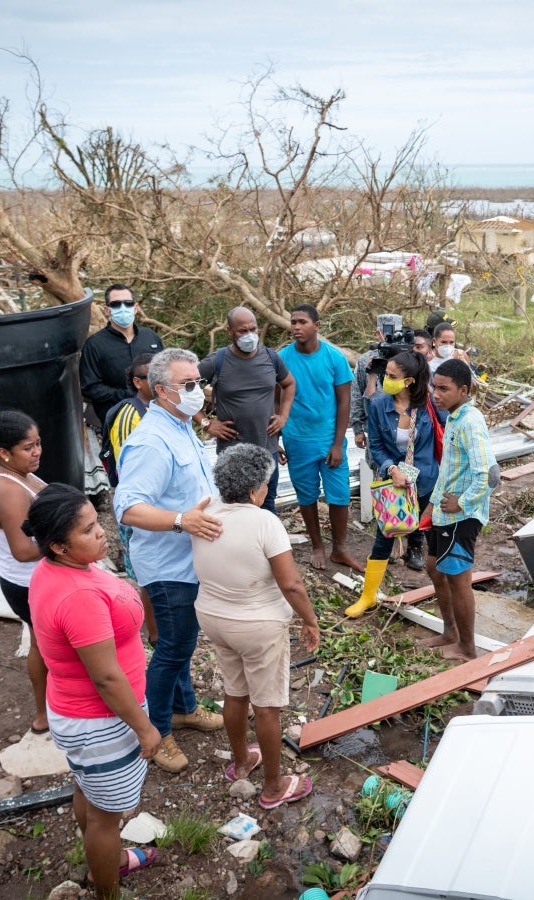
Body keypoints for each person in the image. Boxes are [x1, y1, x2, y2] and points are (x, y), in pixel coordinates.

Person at [25, 484, 161, 900]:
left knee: (87, 787)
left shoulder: (54, 570)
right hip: (102, 721)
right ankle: (108, 884)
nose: (101, 531)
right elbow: (105, 678)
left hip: (79, 713)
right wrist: (145, 729)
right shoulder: (79, 595)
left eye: (95, 522)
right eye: (87, 530)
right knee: (107, 816)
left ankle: (106, 861)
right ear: (59, 546)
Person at [113, 348, 225, 774]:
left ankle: (184, 708)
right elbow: (128, 508)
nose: (199, 391)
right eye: (188, 385)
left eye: (200, 382)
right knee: (172, 648)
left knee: (182, 645)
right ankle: (157, 731)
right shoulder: (150, 442)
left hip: (188, 560)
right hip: (167, 566)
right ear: (160, 391)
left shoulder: (182, 427)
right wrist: (182, 521)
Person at [191, 443, 319, 809]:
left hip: (214, 618)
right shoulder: (265, 522)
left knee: (235, 692)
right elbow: (291, 583)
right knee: (267, 707)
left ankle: (242, 761)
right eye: (265, 484)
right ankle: (274, 787)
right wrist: (310, 621)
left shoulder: (204, 511)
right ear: (253, 490)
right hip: (258, 625)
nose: (267, 490)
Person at [345, 350, 443, 618]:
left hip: (426, 482)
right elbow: (375, 446)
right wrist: (391, 468)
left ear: (409, 381)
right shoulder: (377, 405)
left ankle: (443, 593)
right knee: (383, 537)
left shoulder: (430, 404)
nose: (385, 380)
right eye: (386, 374)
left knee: (431, 533)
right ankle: (368, 596)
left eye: (391, 376)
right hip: (394, 484)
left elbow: (448, 435)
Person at [279, 305, 363, 572]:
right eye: (293, 322)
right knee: (306, 495)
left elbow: (344, 402)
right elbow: (274, 399)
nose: (296, 327)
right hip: (296, 440)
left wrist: (338, 443)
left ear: (317, 325)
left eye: (302, 322)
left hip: (329, 440)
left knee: (339, 495)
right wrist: (276, 438)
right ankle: (317, 545)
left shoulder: (334, 358)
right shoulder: (282, 359)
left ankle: (340, 548)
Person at [0, 410, 49, 734]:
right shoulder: (6, 488)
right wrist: (66, 543)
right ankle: (44, 714)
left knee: (46, 645)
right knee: (45, 647)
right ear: (4, 453)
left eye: (37, 443)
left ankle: (49, 711)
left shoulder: (20, 474)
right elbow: (22, 551)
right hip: (27, 583)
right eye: (27, 447)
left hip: (35, 579)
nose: (36, 452)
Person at [422, 360, 494, 661]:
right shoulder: (453, 416)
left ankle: (467, 647)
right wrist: (431, 504)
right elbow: (449, 469)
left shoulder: (470, 422)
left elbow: (489, 475)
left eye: (443, 389)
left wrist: (462, 502)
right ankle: (450, 631)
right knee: (433, 567)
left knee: (458, 578)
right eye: (434, 387)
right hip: (443, 511)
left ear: (463, 390)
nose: (436, 394)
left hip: (461, 516)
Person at [195, 306, 295, 515]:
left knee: (267, 507)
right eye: (242, 331)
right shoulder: (217, 361)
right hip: (233, 454)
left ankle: (268, 548)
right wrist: (206, 422)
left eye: (253, 329)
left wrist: (283, 416)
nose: (249, 335)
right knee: (235, 510)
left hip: (266, 450)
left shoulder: (271, 358)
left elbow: (289, 384)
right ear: (230, 332)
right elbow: (183, 389)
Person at [100, 353, 158, 644]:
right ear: (137, 382)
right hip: (139, 504)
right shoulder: (130, 414)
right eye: (153, 375)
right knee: (145, 564)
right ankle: (153, 632)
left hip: (156, 502)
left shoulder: (159, 408)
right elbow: (128, 470)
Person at [79, 284, 164, 428]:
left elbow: (165, 372)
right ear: (107, 310)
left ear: (135, 307)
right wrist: (128, 395)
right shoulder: (94, 345)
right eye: (116, 304)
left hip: (156, 417)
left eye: (128, 303)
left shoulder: (151, 337)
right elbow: (89, 387)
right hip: (118, 421)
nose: (123, 308)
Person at [350, 314, 401, 458]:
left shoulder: (408, 359)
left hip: (406, 428)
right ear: (378, 333)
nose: (392, 337)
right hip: (375, 430)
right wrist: (357, 429)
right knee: (379, 471)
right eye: (389, 332)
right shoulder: (365, 360)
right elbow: (356, 394)